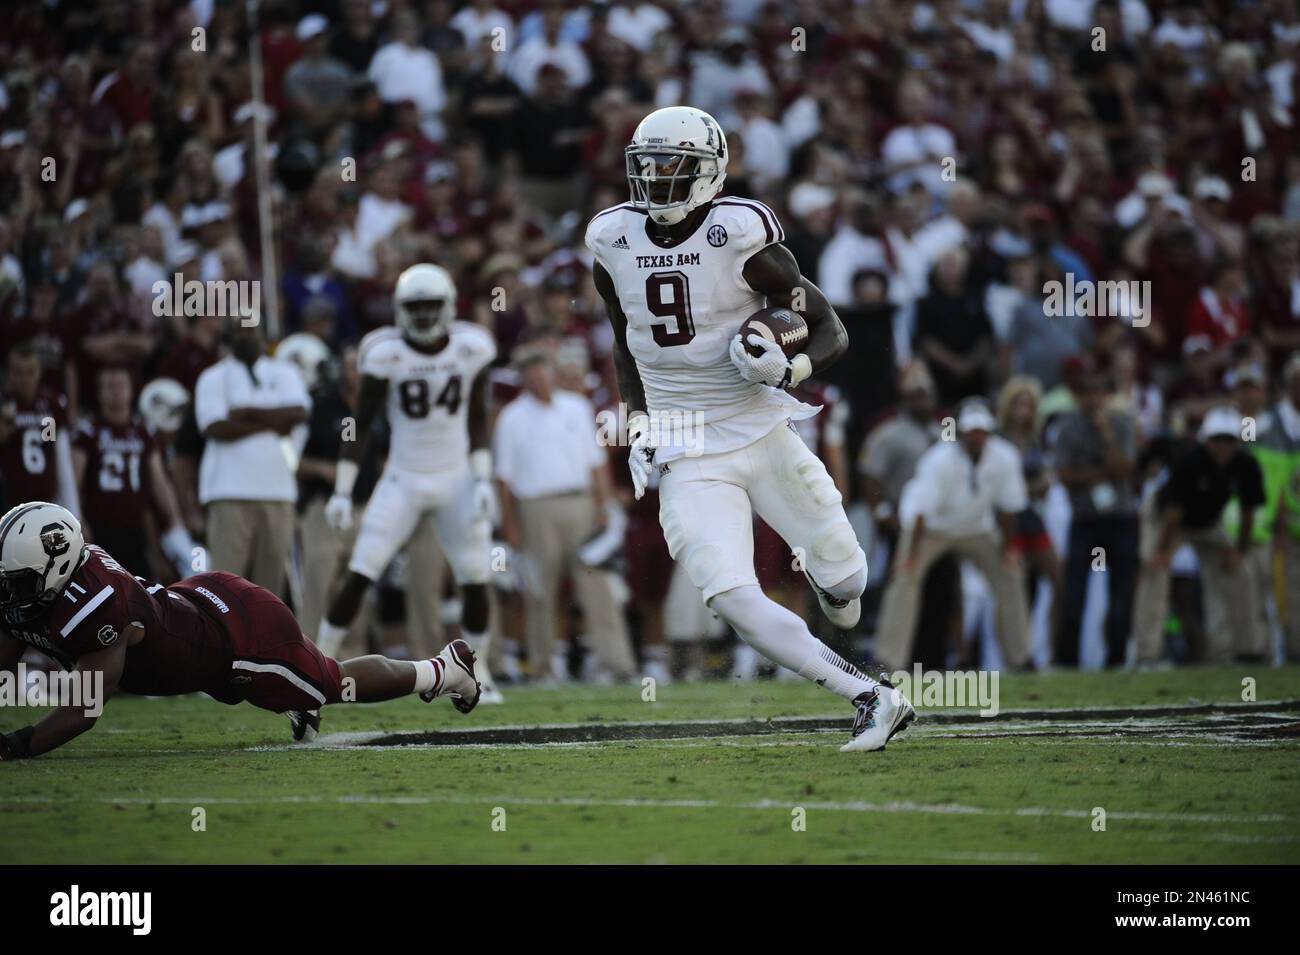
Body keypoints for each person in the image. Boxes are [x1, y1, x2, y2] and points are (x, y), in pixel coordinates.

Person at [587, 105, 913, 752]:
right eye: (645, 166)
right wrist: (639, 420)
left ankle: (836, 590)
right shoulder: (612, 238)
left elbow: (830, 329)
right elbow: (624, 339)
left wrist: (791, 365)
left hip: (760, 426)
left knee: (847, 580)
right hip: (687, 446)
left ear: (709, 172)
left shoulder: (740, 234)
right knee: (731, 595)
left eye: (670, 166)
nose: (654, 181)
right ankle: (871, 695)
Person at [0, 502, 482, 760]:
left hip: (239, 633)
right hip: (199, 606)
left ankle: (444, 669)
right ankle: (298, 697)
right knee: (284, 682)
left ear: (58, 564)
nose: (11, 593)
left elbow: (83, 708)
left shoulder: (100, 606)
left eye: (18, 582)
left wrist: (16, 745)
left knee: (332, 682)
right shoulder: (55, 584)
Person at [316, 264, 504, 703]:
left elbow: (477, 415)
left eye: (429, 307)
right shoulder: (385, 353)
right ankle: (318, 665)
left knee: (475, 578)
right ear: (400, 310)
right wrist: (343, 488)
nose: (421, 316)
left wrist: (481, 479)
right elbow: (359, 423)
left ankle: (481, 671)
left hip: (456, 477)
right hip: (402, 478)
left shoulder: (471, 347)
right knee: (361, 572)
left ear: (448, 306)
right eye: (413, 308)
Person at [494, 346, 636, 683]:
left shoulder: (577, 407)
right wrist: (510, 525)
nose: (539, 377)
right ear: (524, 378)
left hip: (581, 504)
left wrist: (602, 508)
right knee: (540, 591)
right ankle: (543, 669)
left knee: (598, 588)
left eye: (543, 370)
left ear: (551, 373)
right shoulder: (511, 418)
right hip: (536, 508)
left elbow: (596, 462)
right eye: (531, 372)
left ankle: (616, 666)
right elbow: (504, 479)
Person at [876, 399, 1032, 672]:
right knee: (904, 579)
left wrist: (1009, 549)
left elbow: (1009, 509)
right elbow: (922, 513)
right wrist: (910, 558)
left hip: (977, 528)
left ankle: (1020, 658)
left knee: (1011, 574)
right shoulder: (939, 460)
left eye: (982, 431)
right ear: (961, 433)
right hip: (930, 529)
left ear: (989, 432)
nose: (977, 437)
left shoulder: (1005, 458)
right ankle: (888, 659)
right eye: (972, 431)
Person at [1131, 406, 1266, 665]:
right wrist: (1163, 551)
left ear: (1238, 441)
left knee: (1241, 573)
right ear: (1207, 440)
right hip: (1165, 520)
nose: (1223, 447)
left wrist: (1239, 551)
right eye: (1218, 440)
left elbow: (1248, 513)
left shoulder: (1247, 465)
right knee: (1155, 573)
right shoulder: (1189, 463)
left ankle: (1246, 649)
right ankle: (1146, 653)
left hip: (1208, 522)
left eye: (1229, 440)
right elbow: (1174, 512)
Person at [194, 322, 310, 594]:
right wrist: (274, 423)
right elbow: (215, 428)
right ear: (229, 336)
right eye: (240, 330)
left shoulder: (285, 372)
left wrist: (245, 412)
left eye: (252, 329)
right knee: (224, 587)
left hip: (279, 491)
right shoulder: (212, 377)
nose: (247, 336)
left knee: (270, 589)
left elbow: (300, 412)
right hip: (227, 491)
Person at [72, 366, 192, 580]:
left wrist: (174, 517)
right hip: (100, 527)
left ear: (131, 391)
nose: (115, 391)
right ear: (99, 393)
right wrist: (79, 520)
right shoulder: (88, 432)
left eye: (120, 385)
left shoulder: (144, 432)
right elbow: (76, 481)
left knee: (139, 587)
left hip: (136, 528)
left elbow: (159, 481)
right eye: (109, 386)